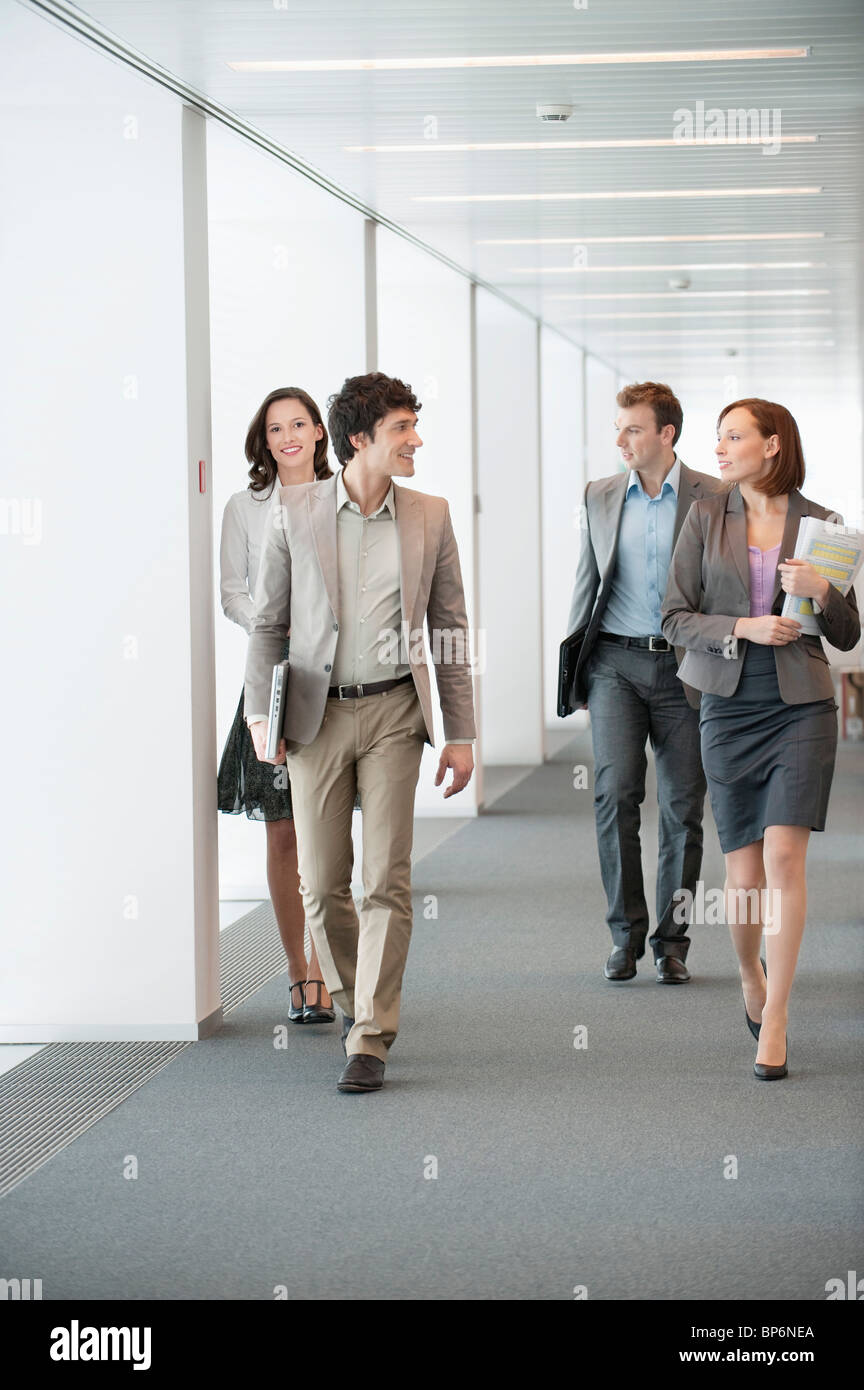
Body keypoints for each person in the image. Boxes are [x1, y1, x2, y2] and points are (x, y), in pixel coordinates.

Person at [243, 372, 476, 1094]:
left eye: (413, 425)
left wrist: (462, 732)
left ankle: (372, 1034)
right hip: (315, 716)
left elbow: (450, 629)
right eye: (403, 428)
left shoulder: (430, 515)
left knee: (386, 879)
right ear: (359, 439)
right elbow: (269, 624)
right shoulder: (296, 510)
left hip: (396, 716)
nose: (416, 440)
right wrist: (260, 714)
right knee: (321, 883)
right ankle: (352, 1005)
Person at [662, 398, 860, 1080]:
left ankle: (775, 1014)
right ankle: (750, 969)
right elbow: (673, 618)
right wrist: (741, 628)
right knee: (742, 874)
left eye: (734, 436)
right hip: (726, 705)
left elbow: (846, 635)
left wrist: (824, 591)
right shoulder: (706, 516)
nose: (719, 448)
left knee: (784, 861)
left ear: (773, 444)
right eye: (718, 438)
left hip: (801, 707)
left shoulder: (824, 525)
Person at [566, 381, 725, 983]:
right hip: (614, 664)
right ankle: (624, 934)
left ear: (667, 434)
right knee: (615, 794)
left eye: (633, 428)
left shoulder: (715, 495)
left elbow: (725, 586)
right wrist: (575, 671)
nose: (621, 439)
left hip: (688, 668)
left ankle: (672, 940)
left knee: (684, 805)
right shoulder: (600, 495)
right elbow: (588, 584)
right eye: (617, 427)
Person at [217, 387, 335, 1026]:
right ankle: (301, 974)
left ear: (319, 431)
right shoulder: (245, 506)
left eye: (298, 424)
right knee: (284, 831)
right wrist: (271, 625)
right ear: (264, 441)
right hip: (274, 683)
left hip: (336, 681)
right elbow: (232, 589)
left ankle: (339, 968)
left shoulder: (342, 498)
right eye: (274, 429)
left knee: (333, 834)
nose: (288, 437)